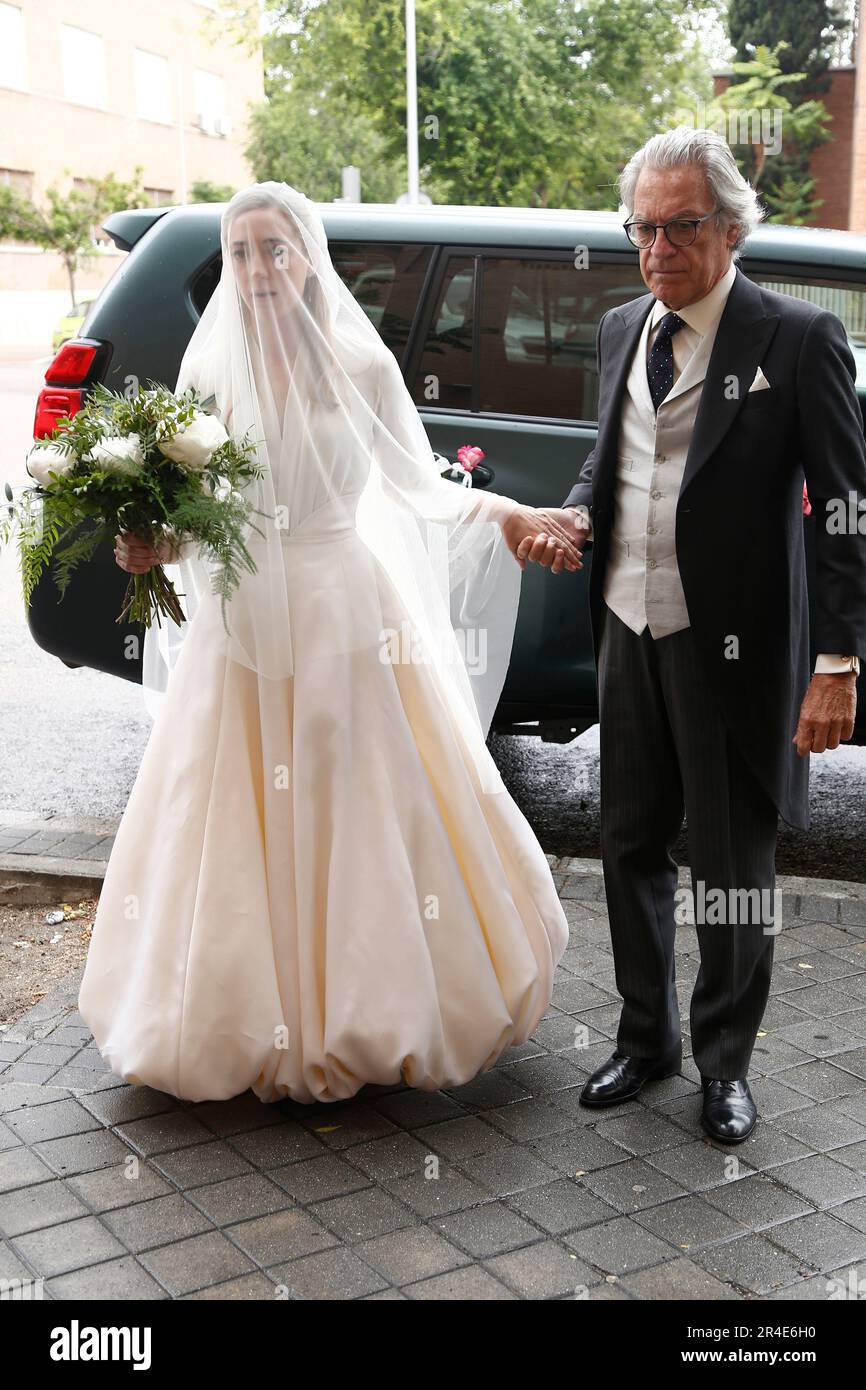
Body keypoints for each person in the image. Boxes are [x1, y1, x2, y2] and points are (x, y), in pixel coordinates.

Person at [78, 181, 577, 1105]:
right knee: (225, 809)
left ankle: (372, 1012)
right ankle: (226, 1018)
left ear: (309, 257)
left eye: (277, 249)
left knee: (359, 800)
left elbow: (415, 482)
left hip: (346, 610)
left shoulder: (361, 365)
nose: (260, 268)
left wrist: (505, 512)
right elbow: (188, 517)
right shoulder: (208, 375)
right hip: (240, 625)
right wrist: (148, 544)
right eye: (241, 253)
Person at [526, 127, 866, 1143]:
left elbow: (845, 510)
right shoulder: (623, 324)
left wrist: (836, 662)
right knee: (626, 841)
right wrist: (575, 514)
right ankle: (645, 1040)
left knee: (730, 860)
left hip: (737, 650)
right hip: (627, 630)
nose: (655, 247)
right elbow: (611, 460)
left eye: (679, 226)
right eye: (641, 226)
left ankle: (723, 1062)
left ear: (728, 226)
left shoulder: (795, 339)